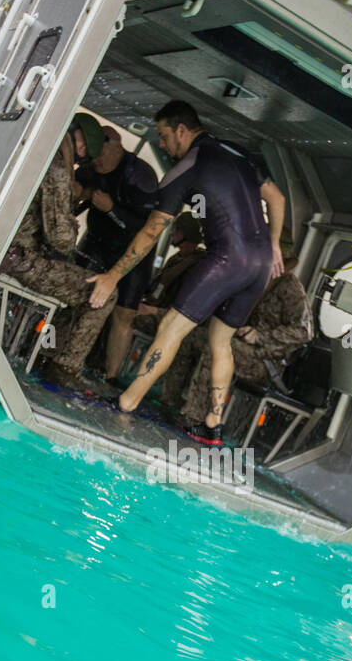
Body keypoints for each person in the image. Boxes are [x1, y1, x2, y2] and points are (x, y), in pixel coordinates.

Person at [84, 100, 286, 444]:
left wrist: (113, 276)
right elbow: (277, 198)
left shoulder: (188, 166)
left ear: (182, 130)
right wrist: (276, 244)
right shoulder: (234, 151)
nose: (162, 145)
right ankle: (213, 426)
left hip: (227, 259)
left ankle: (127, 401)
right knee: (221, 341)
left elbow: (151, 232)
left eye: (163, 136)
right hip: (261, 264)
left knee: (170, 328)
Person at [0, 122, 116, 384]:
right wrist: (72, 227)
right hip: (19, 259)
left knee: (71, 284)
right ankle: (62, 367)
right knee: (102, 293)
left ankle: (43, 352)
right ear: (80, 146)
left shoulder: (32, 150)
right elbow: (61, 241)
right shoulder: (58, 169)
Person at [161, 235, 312, 431]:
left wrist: (259, 336)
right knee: (191, 337)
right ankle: (169, 402)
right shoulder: (252, 278)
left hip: (264, 360)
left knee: (217, 351)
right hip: (239, 345)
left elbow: (303, 332)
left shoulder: (289, 286)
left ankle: (194, 419)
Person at [73, 124, 159, 381]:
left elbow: (148, 230)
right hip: (97, 242)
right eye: (93, 153)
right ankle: (65, 353)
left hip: (132, 252)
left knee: (124, 314)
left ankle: (110, 376)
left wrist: (111, 209)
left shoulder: (140, 175)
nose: (96, 159)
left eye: (101, 153)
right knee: (78, 294)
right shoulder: (89, 168)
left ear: (117, 147)